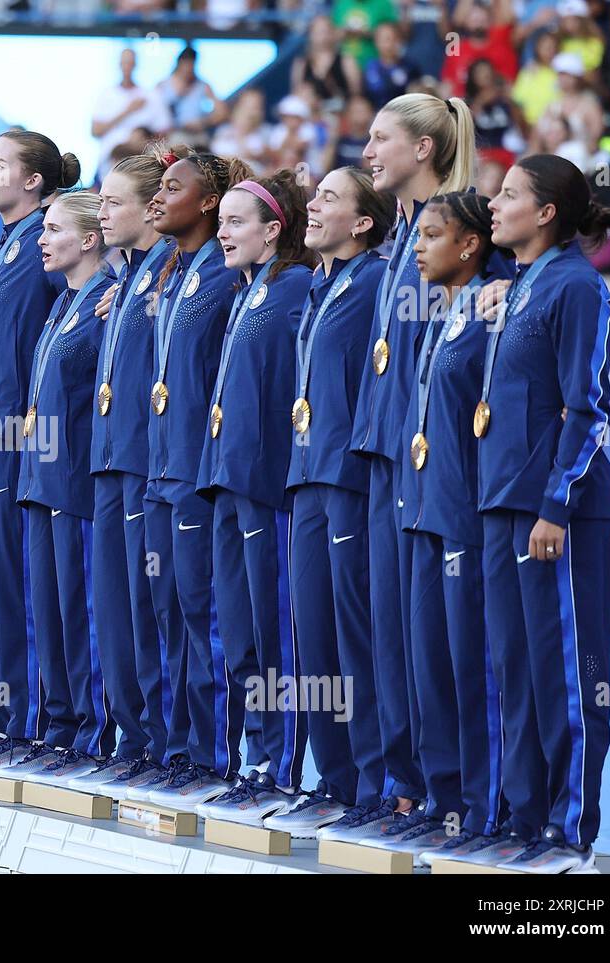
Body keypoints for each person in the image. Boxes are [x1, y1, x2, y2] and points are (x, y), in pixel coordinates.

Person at [330, 92, 478, 843]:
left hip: (425, 463)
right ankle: (403, 789)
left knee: (428, 638)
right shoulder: (399, 238)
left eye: (383, 137)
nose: (368, 149)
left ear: (424, 149)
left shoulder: (451, 231)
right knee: (389, 633)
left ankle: (449, 796)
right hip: (381, 454)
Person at [475, 155, 610, 873]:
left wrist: (555, 504)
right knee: (515, 669)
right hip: (505, 506)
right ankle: (523, 817)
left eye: (509, 195)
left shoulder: (578, 287)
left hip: (557, 514)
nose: (493, 205)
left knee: (565, 673)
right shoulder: (521, 285)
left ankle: (569, 832)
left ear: (547, 214)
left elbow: (588, 411)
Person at [362, 191, 513, 864]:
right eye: (416, 235)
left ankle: (482, 808)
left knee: (466, 667)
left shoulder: (491, 308)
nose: (417, 248)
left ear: (471, 245)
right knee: (427, 662)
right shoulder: (443, 310)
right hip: (419, 507)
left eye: (432, 235)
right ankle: (442, 799)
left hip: (463, 513)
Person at [127, 152, 254, 808]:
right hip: (159, 464)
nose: (159, 197)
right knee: (166, 614)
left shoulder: (224, 275)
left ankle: (215, 754)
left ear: (209, 203)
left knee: (204, 616)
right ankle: (174, 746)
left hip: (197, 474)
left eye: (173, 187)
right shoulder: (173, 271)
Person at [271, 166, 393, 838]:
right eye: (313, 196)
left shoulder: (376, 280)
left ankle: (374, 784)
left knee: (354, 638)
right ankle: (335, 778)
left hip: (346, 478)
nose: (312, 205)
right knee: (312, 637)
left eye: (329, 198)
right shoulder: (320, 282)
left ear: (365, 221)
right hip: (306, 474)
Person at [0, 130, 79, 774]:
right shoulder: (4, 244)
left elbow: (82, 304)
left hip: (14, 435)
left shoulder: (45, 243)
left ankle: (31, 719)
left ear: (33, 180)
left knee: (13, 580)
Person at [193, 171, 315, 825]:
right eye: (222, 221)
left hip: (266, 485)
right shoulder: (248, 291)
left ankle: (281, 764)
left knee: (273, 632)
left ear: (273, 230)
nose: (223, 232)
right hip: (229, 479)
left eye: (236, 222)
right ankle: (252, 759)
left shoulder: (294, 288)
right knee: (238, 632)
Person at [69, 146, 177, 797]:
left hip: (147, 461)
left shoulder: (171, 270)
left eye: (114, 202)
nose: (102, 210)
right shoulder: (129, 275)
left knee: (148, 606)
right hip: (109, 458)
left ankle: (168, 742)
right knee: (111, 605)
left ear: (151, 209)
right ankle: (131, 734)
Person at [2, 191, 116, 784]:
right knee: (46, 608)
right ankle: (59, 725)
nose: (40, 241)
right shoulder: (64, 302)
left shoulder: (107, 303)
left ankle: (93, 732)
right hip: (40, 476)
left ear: (91, 238)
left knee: (79, 610)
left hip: (76, 480)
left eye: (53, 230)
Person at [91, 48, 170, 180]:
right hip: (108, 162)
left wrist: (142, 138)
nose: (127, 66)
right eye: (124, 62)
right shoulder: (107, 94)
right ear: (119, 64)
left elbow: (165, 130)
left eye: (130, 62)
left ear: (135, 65)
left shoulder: (150, 95)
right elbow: (96, 131)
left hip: (140, 161)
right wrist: (127, 111)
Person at [155, 46, 228, 147]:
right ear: (179, 63)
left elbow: (222, 112)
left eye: (191, 65)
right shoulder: (162, 86)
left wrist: (203, 123)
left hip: (197, 137)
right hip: (171, 137)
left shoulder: (202, 86)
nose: (188, 69)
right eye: (186, 64)